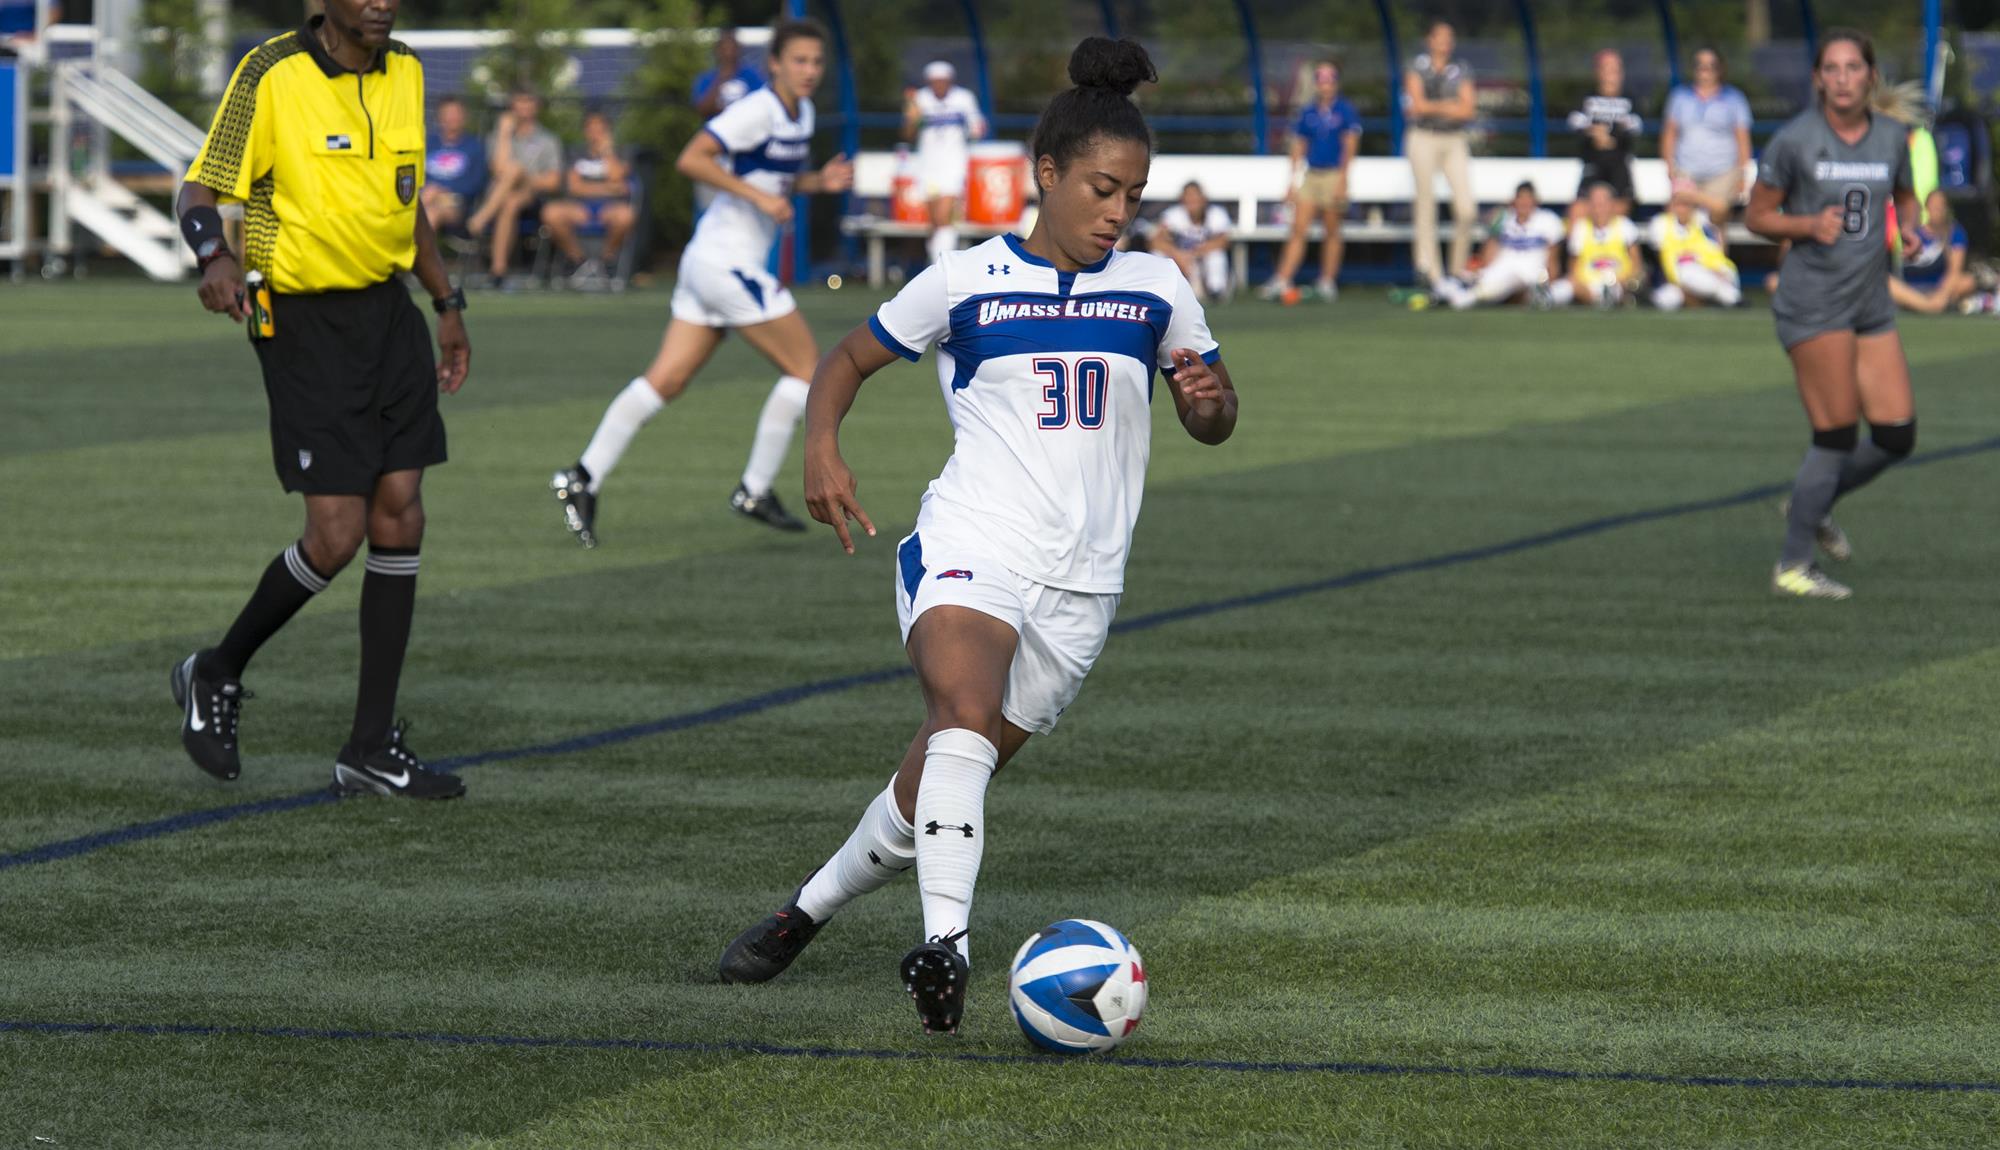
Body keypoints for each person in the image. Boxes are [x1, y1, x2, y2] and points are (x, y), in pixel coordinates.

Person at [714, 36, 1235, 1038]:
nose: (1117, 212)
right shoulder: (964, 280)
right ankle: (944, 949)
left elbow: (1213, 417)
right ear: (1047, 173)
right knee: (960, 709)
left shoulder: (1159, 287)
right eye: (1101, 189)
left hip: (1083, 586)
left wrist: (1207, 401)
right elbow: (844, 359)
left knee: (941, 778)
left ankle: (802, 912)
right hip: (972, 541)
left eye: (1132, 196)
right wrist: (820, 449)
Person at [171, 0, 470, 799]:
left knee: (401, 512)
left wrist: (447, 303)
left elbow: (407, 204)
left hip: (390, 316)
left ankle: (369, 747)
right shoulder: (271, 72)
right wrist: (213, 257)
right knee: (336, 536)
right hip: (302, 321)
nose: (380, 2)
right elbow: (200, 188)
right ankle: (216, 669)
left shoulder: (407, 71)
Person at [549, 20, 852, 547]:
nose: (809, 71)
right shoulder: (756, 109)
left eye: (816, 62)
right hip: (726, 263)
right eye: (799, 60)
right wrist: (760, 199)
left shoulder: (800, 113)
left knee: (665, 381)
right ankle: (755, 488)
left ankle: (582, 476)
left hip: (708, 261)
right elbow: (692, 158)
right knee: (810, 370)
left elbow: (772, 178)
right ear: (774, 64)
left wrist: (814, 182)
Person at [1745, 29, 1920, 601]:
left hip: (1869, 302)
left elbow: (1904, 194)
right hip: (1814, 302)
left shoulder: (1891, 136)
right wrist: (1804, 225)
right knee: (1837, 433)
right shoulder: (1796, 140)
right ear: (1818, 79)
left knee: (1896, 435)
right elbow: (1756, 215)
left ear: (1871, 76)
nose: (1843, 79)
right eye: (1832, 69)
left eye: (1853, 68)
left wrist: (1910, 228)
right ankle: (1794, 565)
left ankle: (1813, 502)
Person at [1259, 61, 1360, 304]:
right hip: (1312, 174)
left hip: (1334, 174)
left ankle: (1327, 280)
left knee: (1332, 229)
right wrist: (1292, 181)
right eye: (1321, 80)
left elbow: (1350, 146)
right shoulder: (1309, 111)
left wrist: (1343, 179)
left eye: (1330, 80)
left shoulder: (1345, 110)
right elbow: (1299, 146)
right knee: (1298, 228)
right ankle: (1283, 278)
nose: (1325, 85)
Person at [1403, 20, 1478, 286]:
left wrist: (1433, 106)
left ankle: (1457, 271)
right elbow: (1416, 106)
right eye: (1440, 37)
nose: (1446, 42)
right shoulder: (1417, 66)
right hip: (1423, 137)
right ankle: (1430, 272)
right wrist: (1450, 105)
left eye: (1450, 37)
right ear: (1430, 40)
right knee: (1426, 205)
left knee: (1466, 209)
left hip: (1454, 139)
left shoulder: (1461, 69)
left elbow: (1468, 110)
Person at [467, 88, 563, 284]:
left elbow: (553, 182)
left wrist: (524, 176)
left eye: (529, 101)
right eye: (519, 101)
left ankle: (480, 219)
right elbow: (498, 169)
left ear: (537, 106)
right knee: (510, 199)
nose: (524, 106)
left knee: (516, 170)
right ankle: (498, 271)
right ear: (512, 106)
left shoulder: (548, 140)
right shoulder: (498, 136)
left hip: (532, 194)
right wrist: (504, 134)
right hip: (504, 195)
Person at [1435, 182, 1569, 310]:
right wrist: (1495, 227)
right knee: (1471, 276)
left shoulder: (1548, 221)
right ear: (1514, 201)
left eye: (1528, 199)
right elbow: (1488, 256)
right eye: (1521, 198)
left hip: (1529, 276)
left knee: (1515, 281)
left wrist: (1548, 282)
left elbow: (1553, 259)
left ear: (1535, 201)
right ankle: (1445, 290)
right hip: (1500, 271)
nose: (1524, 203)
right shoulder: (1504, 218)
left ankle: (1468, 297)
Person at [903, 60, 987, 265]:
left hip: (954, 165)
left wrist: (975, 129)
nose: (939, 85)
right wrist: (912, 119)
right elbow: (908, 135)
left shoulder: (964, 98)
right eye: (935, 81)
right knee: (935, 222)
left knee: (944, 217)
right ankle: (938, 264)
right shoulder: (920, 99)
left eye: (943, 81)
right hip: (927, 167)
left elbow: (978, 128)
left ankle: (942, 266)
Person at [539, 108, 635, 286]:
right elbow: (575, 188)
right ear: (585, 130)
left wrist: (607, 152)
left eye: (600, 128)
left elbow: (619, 180)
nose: (595, 132)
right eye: (591, 127)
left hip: (610, 207)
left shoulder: (621, 152)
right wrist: (609, 188)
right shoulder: (576, 152)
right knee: (551, 213)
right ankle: (578, 261)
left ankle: (606, 262)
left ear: (608, 130)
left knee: (626, 216)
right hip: (579, 207)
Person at [1660, 48, 1753, 224]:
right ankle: (1691, 197)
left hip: (1722, 172)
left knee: (1718, 215)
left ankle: (1692, 197)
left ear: (1720, 69)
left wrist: (1742, 174)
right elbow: (1669, 134)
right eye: (1700, 65)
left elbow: (1742, 139)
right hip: (1686, 170)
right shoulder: (1679, 97)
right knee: (1676, 216)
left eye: (1711, 65)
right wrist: (1669, 167)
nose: (1705, 70)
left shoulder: (1734, 98)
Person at [1567, 49, 1641, 221]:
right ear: (1598, 72)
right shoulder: (1586, 98)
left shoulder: (1630, 99)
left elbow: (1634, 125)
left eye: (1615, 69)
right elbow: (1574, 121)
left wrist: (1606, 134)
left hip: (1619, 169)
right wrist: (1595, 132)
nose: (1611, 75)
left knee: (1621, 211)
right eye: (1606, 68)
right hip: (1592, 165)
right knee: (1577, 212)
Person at [1647, 177, 1741, 310]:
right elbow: (1665, 264)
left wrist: (1695, 196)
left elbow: (1721, 209)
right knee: (1672, 293)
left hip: (1717, 273)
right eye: (1679, 203)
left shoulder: (1703, 220)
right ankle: (1725, 297)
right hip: (1681, 282)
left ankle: (1717, 296)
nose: (1682, 208)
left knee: (1702, 276)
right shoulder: (1661, 224)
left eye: (1686, 203)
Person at [1890, 189, 1975, 314]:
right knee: (1888, 283)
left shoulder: (1954, 233)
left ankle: (1925, 304)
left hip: (1937, 287)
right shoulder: (1912, 234)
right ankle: (1926, 305)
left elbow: (1954, 270)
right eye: (1934, 205)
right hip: (1909, 288)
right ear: (1926, 207)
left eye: (1941, 205)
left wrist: (1942, 294)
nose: (1937, 209)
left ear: (1946, 208)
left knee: (1967, 281)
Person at [1148, 180, 1233, 301]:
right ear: (1182, 199)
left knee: (1216, 255)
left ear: (1203, 199)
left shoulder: (1216, 214)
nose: (1192, 201)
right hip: (1181, 261)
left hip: (1202, 260)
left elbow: (1224, 241)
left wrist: (1195, 253)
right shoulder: (1173, 215)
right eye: (1189, 197)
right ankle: (1159, 290)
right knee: (1157, 254)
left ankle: (1216, 291)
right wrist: (1177, 255)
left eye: (1195, 197)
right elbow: (1155, 242)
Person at [1566, 181, 1644, 307]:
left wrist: (1626, 282)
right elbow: (1573, 268)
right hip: (1588, 287)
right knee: (1565, 288)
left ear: (1611, 204)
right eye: (1595, 204)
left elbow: (1636, 263)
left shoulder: (1625, 226)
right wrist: (1581, 288)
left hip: (1619, 283)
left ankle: (1607, 299)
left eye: (1602, 204)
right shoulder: (1581, 228)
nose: (1599, 209)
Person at [420, 95, 486, 235]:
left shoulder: (474, 147)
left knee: (431, 213)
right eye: (447, 113)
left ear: (464, 117)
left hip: (455, 202)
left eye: (456, 113)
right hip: (425, 196)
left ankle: (421, 250)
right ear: (439, 117)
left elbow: (477, 183)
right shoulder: (428, 143)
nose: (452, 118)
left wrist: (441, 191)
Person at [693, 28, 761, 119]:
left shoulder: (750, 76)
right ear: (717, 51)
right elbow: (702, 109)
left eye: (732, 48)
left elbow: (759, 105)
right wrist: (721, 79)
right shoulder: (706, 78)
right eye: (724, 49)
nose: (728, 53)